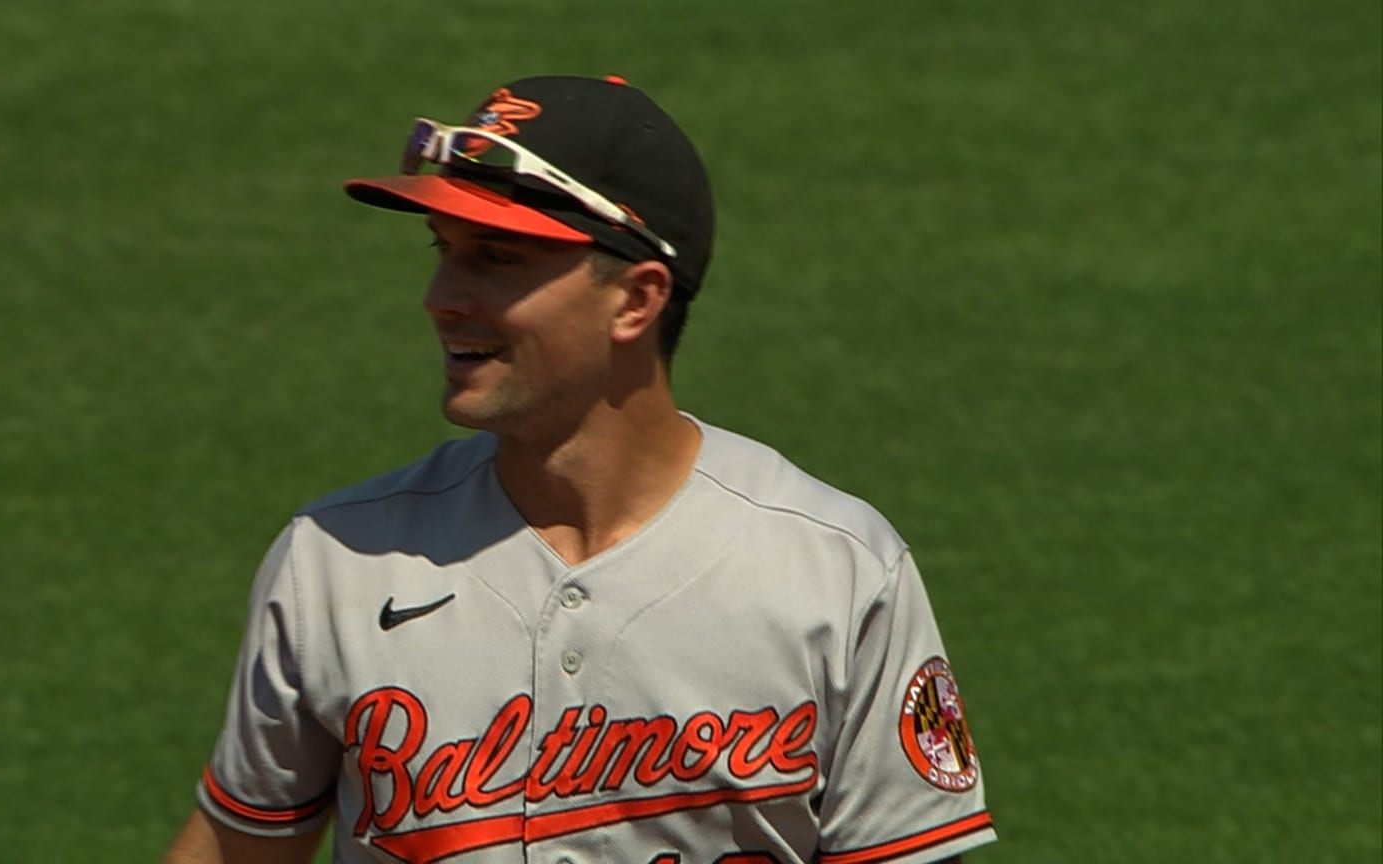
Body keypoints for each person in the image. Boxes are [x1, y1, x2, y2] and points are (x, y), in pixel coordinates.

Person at [163, 74, 996, 864]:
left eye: (496, 259)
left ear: (636, 298)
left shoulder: (833, 571)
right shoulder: (336, 561)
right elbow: (238, 846)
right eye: (442, 249)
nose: (440, 295)